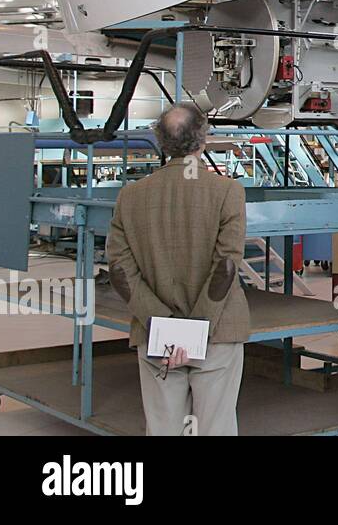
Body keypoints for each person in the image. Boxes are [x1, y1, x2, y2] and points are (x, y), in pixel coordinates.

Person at [106, 103, 250, 435]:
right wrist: (194, 335)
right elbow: (226, 267)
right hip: (217, 335)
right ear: (203, 140)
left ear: (160, 142)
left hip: (156, 338)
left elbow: (120, 271)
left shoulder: (130, 197)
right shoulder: (228, 192)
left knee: (163, 428)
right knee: (215, 428)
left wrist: (167, 329)